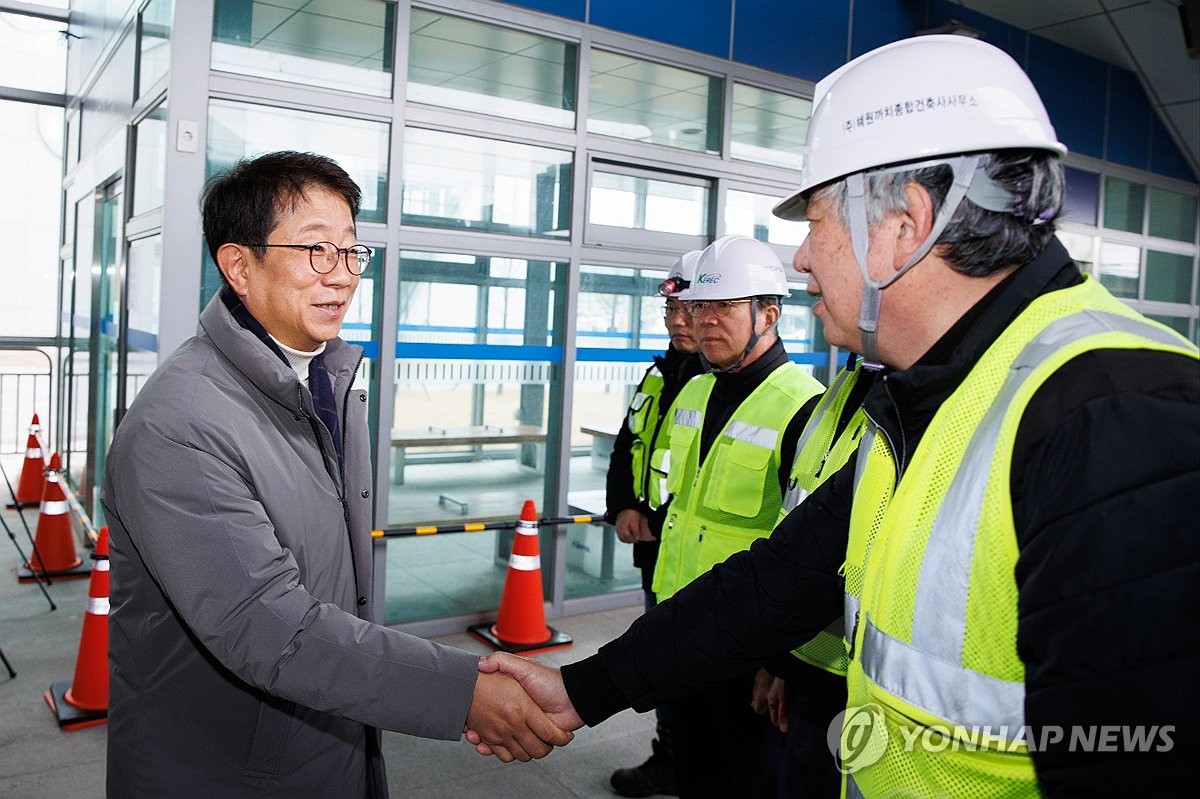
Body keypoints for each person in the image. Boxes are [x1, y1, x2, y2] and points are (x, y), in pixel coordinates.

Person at [472, 35, 1200, 797]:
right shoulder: (932, 397)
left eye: (816, 222)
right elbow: (780, 582)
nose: (800, 260)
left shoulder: (1117, 417)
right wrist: (587, 687)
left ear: (904, 226)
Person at [100, 150, 571, 797]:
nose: (342, 275)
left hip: (326, 739)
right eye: (316, 250)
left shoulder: (323, 380)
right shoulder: (180, 423)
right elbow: (269, 626)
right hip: (228, 769)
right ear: (239, 265)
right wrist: (462, 692)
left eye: (352, 251)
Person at [648, 234, 825, 798]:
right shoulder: (694, 391)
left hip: (748, 646)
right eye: (698, 307)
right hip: (680, 626)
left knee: (749, 782)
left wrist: (780, 661)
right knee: (694, 776)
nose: (705, 321)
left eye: (724, 306)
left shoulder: (805, 405)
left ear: (768, 314)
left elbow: (810, 552)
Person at [604, 250, 705, 797]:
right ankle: (670, 753)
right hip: (658, 550)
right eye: (671, 312)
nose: (679, 323)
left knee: (698, 668)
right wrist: (623, 504)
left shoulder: (721, 381)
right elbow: (631, 442)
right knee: (665, 657)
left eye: (689, 311)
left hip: (704, 556)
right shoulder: (662, 371)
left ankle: (693, 761)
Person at [752, 353, 873, 799]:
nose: (802, 277)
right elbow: (796, 529)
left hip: (862, 690)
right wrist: (783, 663)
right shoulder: (844, 385)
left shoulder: (916, 401)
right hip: (809, 668)